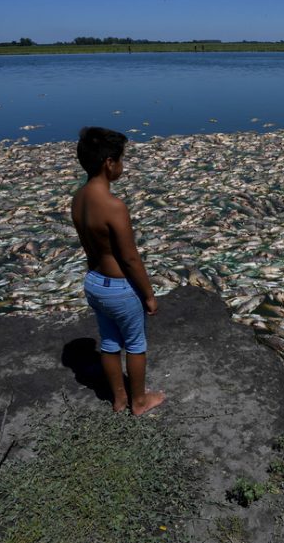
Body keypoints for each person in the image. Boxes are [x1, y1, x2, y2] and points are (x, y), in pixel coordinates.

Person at [72, 126, 164, 415]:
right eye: (121, 159)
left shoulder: (78, 198)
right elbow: (130, 259)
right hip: (120, 288)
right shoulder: (113, 206)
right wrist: (148, 294)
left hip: (94, 283)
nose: (122, 165)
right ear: (108, 163)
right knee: (135, 344)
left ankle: (119, 398)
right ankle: (139, 401)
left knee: (110, 342)